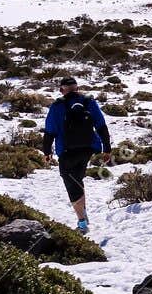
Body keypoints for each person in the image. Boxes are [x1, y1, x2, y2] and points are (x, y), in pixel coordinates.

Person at [42, 76, 111, 234]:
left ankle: (82, 223)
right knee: (77, 179)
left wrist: (47, 152)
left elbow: (49, 132)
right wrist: (107, 148)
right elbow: (101, 126)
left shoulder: (57, 106)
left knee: (71, 184)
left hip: (67, 151)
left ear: (62, 90)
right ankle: (84, 212)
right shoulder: (89, 102)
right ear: (77, 88)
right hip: (88, 149)